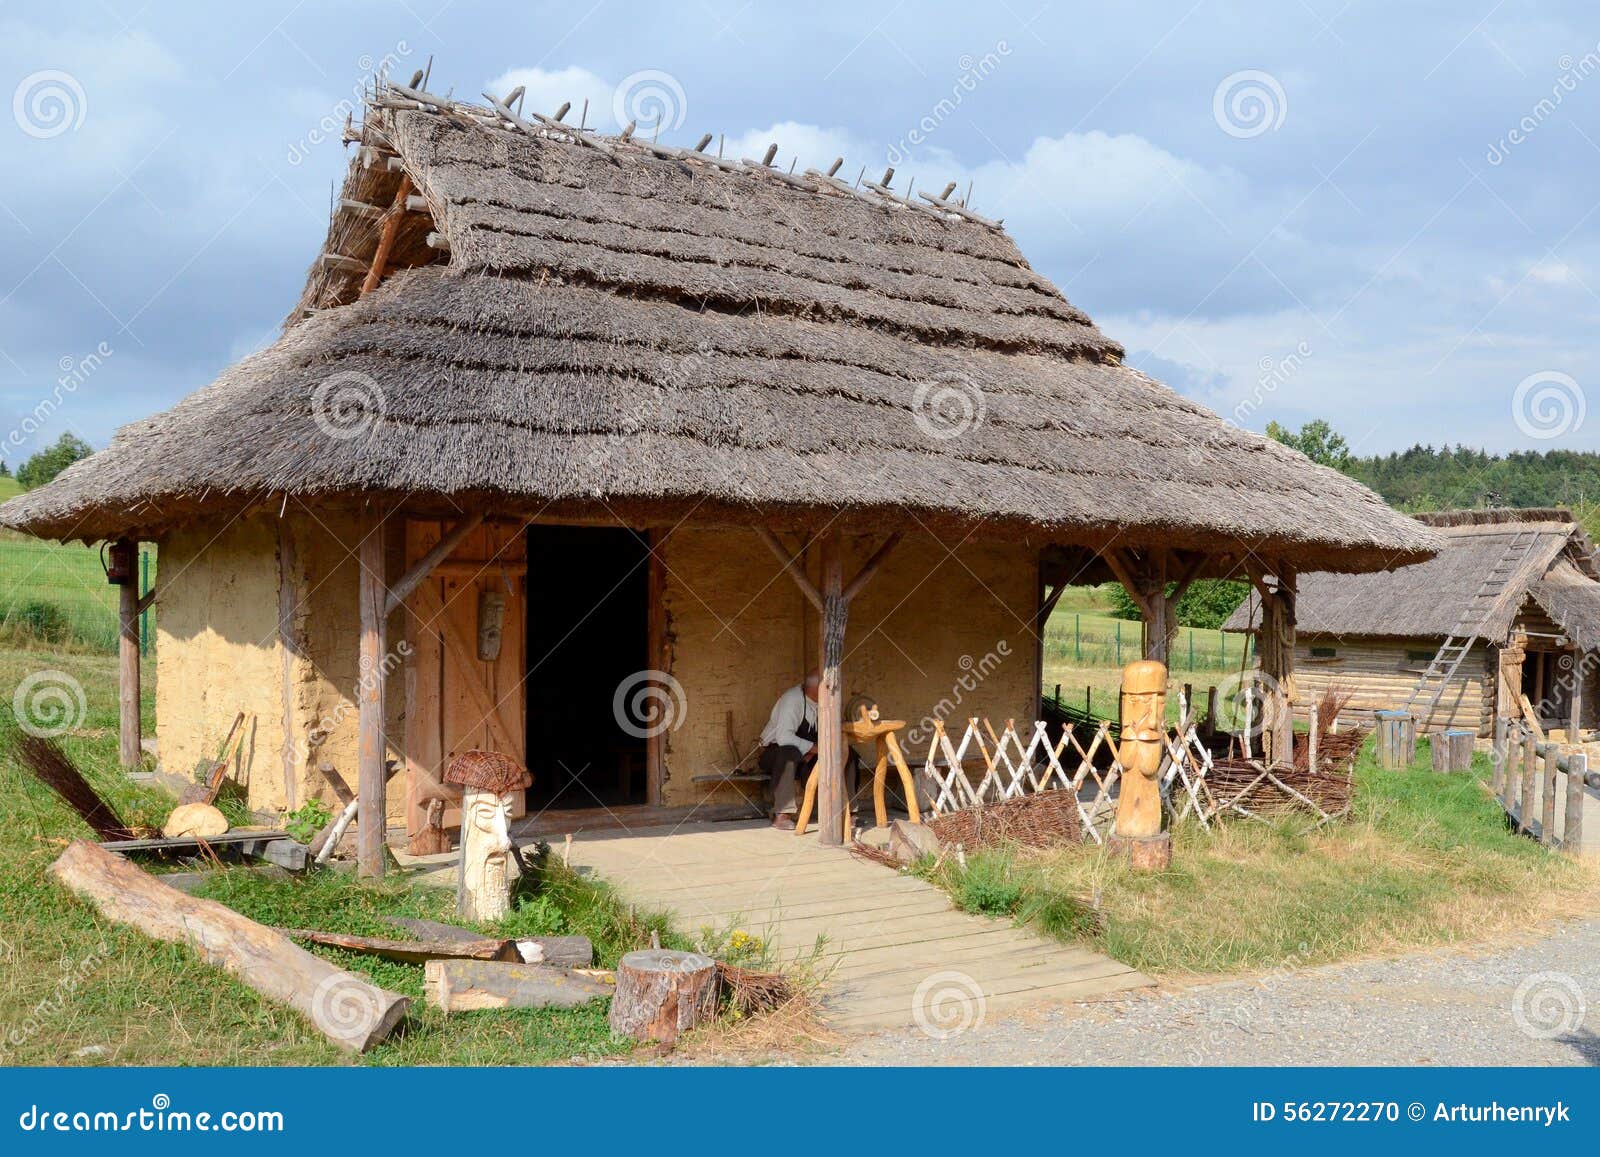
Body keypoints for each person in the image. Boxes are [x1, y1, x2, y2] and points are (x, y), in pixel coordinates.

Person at [758, 670, 820, 830]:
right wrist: (815, 749)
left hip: (808, 753)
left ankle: (849, 812)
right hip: (774, 752)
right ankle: (782, 814)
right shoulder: (793, 699)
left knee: (848, 754)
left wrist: (814, 752)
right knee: (789, 753)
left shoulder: (826, 702)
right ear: (816, 688)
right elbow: (784, 738)